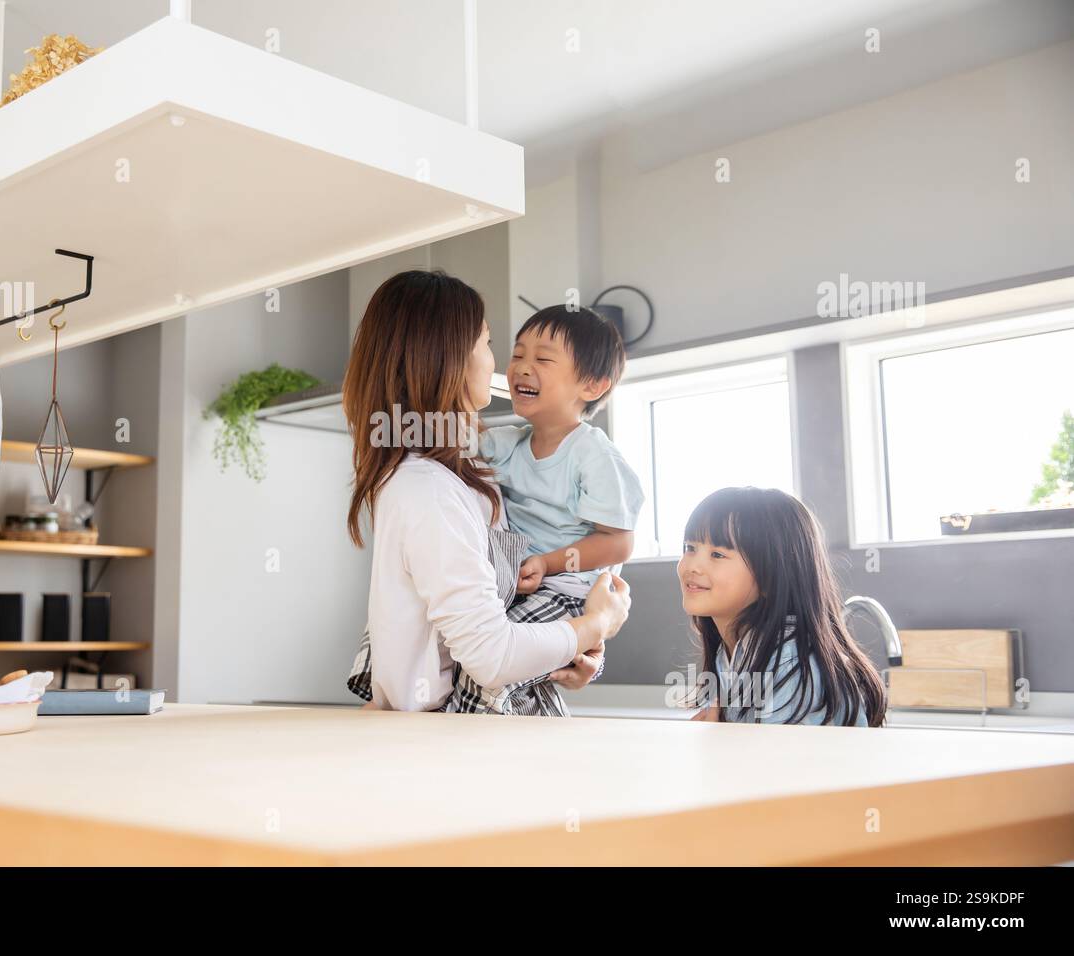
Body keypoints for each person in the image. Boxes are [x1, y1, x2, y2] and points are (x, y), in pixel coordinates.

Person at [342, 270, 631, 713]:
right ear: (449, 357)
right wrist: (598, 624)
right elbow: (492, 656)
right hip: (450, 728)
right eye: (491, 343)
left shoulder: (474, 470)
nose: (510, 366)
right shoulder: (426, 490)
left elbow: (495, 628)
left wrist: (576, 652)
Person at [680, 487, 887, 726]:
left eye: (717, 554)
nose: (692, 566)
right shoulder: (727, 655)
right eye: (690, 548)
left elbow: (778, 751)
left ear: (771, 577)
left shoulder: (791, 661)